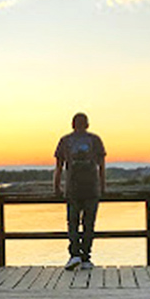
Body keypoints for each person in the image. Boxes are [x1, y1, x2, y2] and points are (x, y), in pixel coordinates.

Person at [53, 112, 106, 270]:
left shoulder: (65, 141)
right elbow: (102, 167)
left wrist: (57, 187)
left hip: (72, 189)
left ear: (72, 124)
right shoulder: (95, 140)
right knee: (89, 224)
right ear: (87, 124)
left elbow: (58, 167)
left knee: (73, 223)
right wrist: (103, 187)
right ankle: (85, 258)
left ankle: (74, 255)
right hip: (91, 188)